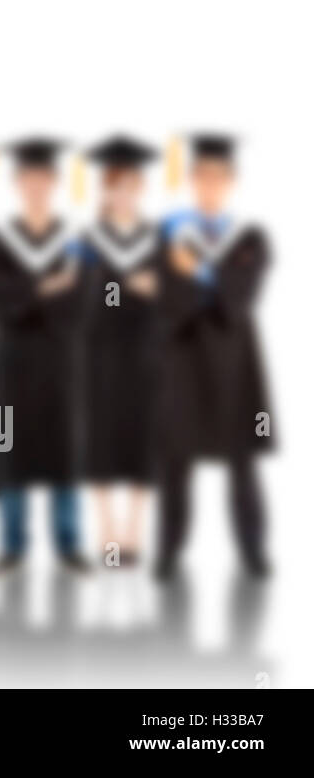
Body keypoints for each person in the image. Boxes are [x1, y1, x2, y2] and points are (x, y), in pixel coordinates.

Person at [155, 134, 275, 581]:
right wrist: (199, 282)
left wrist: (198, 272)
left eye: (219, 177)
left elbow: (242, 298)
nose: (210, 185)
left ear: (232, 182)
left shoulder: (251, 237)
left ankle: (253, 550)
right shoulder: (167, 233)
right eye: (202, 176)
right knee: (175, 460)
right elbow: (165, 300)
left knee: (243, 460)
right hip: (183, 356)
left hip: (236, 360)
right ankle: (168, 550)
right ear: (190, 179)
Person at [0, 138, 87, 574]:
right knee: (10, 451)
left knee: (65, 451)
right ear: (16, 182)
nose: (37, 185)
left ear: (56, 182)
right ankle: (12, 545)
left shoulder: (76, 241)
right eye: (29, 178)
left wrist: (24, 297)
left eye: (44, 178)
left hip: (61, 360)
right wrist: (44, 289)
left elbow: (84, 304)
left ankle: (68, 544)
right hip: (12, 362)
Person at [78, 135, 164, 569]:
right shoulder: (88, 240)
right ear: (105, 191)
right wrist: (131, 287)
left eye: (131, 185)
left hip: (146, 354)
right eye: (116, 185)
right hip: (101, 354)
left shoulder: (158, 238)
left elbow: (172, 297)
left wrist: (150, 291)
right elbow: (93, 301)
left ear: (141, 188)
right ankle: (109, 538)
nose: (124, 193)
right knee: (103, 442)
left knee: (141, 441)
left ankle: (133, 535)